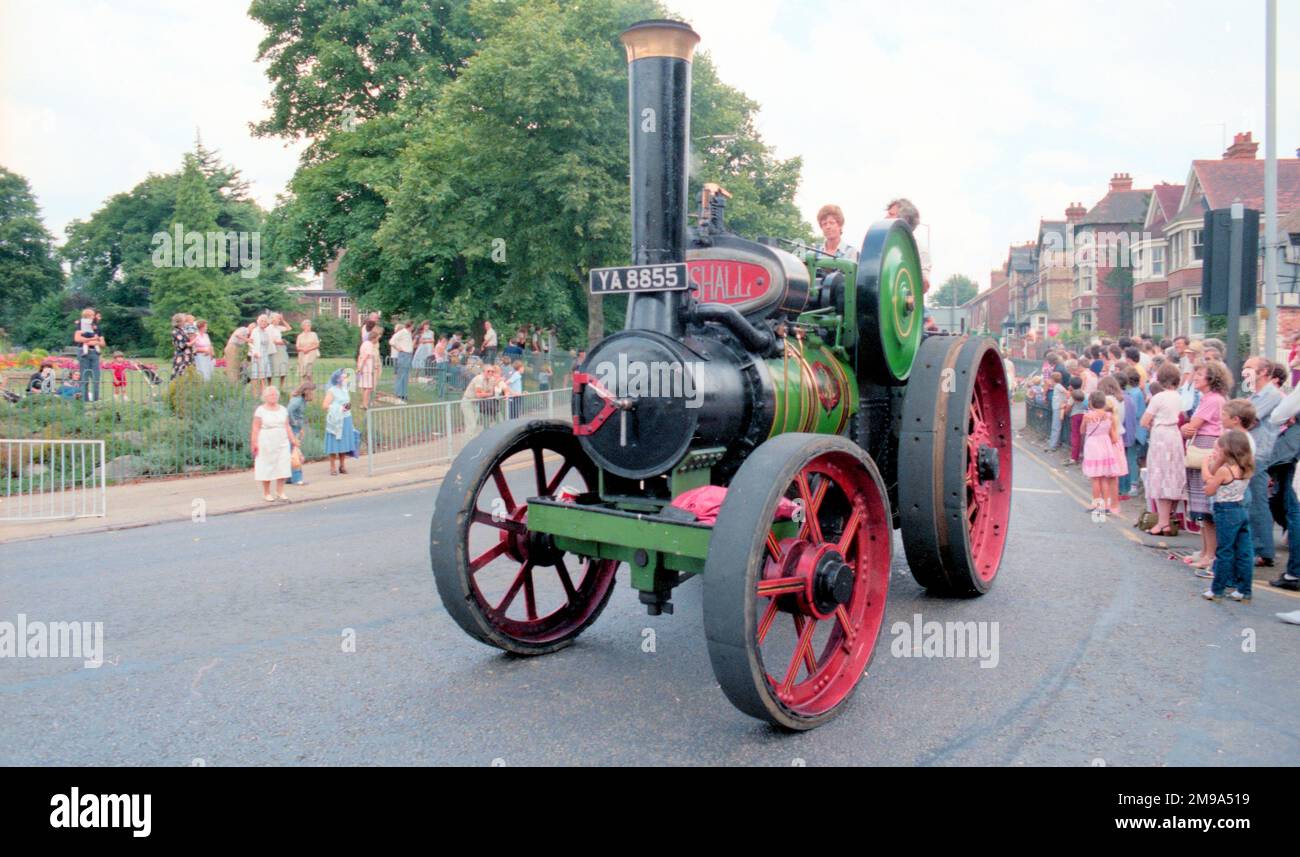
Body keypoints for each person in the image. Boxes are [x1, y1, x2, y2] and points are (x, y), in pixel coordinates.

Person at [1181, 361, 1229, 572]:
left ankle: (1210, 554)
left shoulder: (1213, 400)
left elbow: (1192, 426)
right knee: (1200, 506)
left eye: (1200, 374)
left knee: (1206, 506)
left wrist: (1186, 428)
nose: (1195, 377)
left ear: (1211, 378)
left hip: (1206, 449)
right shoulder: (1207, 398)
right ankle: (1204, 551)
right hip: (1201, 448)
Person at [1201, 429, 1255, 602]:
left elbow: (1209, 490)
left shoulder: (1225, 470)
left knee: (1224, 551)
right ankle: (1244, 590)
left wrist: (1205, 466)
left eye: (1220, 448)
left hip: (1225, 511)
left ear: (1228, 450)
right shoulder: (1247, 467)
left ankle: (1217, 590)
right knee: (1244, 552)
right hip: (1241, 509)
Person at [1140, 363, 1187, 536]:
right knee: (1171, 477)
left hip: (1160, 436)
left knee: (1159, 478)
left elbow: (1144, 421)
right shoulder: (1178, 397)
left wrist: (1152, 424)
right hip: (1174, 435)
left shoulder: (1158, 397)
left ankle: (1162, 522)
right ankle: (1167, 519)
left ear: (1160, 379)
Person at [251, 385, 296, 502]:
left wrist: (293, 440)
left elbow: (287, 426)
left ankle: (280, 491)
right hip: (266, 441)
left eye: (275, 395)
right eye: (271, 395)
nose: (274, 397)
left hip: (282, 441)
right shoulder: (260, 410)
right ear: (265, 397)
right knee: (266, 466)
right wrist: (254, 443)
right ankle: (266, 493)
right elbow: (255, 428)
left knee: (283, 466)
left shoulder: (283, 409)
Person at [1081, 391, 1123, 513]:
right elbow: (1113, 434)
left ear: (1091, 402)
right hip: (1105, 446)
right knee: (1104, 477)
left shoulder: (1087, 416)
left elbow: (1082, 431)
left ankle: (1096, 504)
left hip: (1093, 446)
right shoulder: (1109, 416)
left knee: (1095, 478)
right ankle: (1105, 505)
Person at [885, 197, 930, 292]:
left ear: (904, 220)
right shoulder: (882, 245)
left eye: (891, 214)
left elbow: (923, 285)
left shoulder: (920, 251)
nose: (886, 217)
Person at [322, 369, 357, 475]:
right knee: (334, 443)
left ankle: (342, 465)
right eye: (344, 377)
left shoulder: (345, 389)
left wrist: (348, 406)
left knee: (343, 442)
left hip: (346, 418)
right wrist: (340, 408)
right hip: (336, 420)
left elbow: (347, 402)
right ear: (338, 379)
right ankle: (332, 466)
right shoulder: (332, 391)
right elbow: (325, 406)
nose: (346, 379)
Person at [73, 308, 104, 402]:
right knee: (84, 377)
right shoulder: (81, 325)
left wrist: (96, 342)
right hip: (83, 351)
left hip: (95, 352)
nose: (93, 317)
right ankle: (85, 400)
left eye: (93, 315)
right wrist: (90, 340)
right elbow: (77, 339)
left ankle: (95, 400)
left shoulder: (97, 327)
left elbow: (102, 343)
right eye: (91, 315)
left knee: (96, 377)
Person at [287, 382, 314, 486]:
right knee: (295, 453)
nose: (313, 394)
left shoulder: (302, 401)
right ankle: (297, 479)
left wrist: (300, 427)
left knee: (291, 452)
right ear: (307, 391)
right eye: (312, 391)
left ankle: (289, 478)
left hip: (296, 428)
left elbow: (298, 415)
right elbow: (289, 411)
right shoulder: (298, 400)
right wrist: (294, 422)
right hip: (292, 429)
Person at [247, 315, 275, 396]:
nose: (263, 322)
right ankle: (255, 394)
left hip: (265, 354)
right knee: (256, 375)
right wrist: (254, 352)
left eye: (265, 321)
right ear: (258, 322)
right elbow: (250, 342)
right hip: (257, 354)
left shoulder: (266, 332)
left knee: (264, 375)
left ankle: (262, 393)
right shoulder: (255, 331)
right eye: (262, 321)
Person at [390, 321, 414, 403]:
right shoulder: (402, 332)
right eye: (413, 326)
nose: (413, 327)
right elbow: (392, 341)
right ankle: (398, 393)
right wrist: (398, 348)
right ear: (410, 326)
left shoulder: (409, 333)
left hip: (409, 355)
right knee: (401, 375)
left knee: (406, 375)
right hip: (403, 354)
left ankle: (404, 394)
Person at [269, 313, 292, 390]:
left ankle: (281, 387)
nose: (278, 320)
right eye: (277, 319)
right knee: (273, 367)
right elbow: (271, 340)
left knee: (283, 366)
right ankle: (270, 386)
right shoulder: (269, 328)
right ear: (273, 319)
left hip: (281, 348)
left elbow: (289, 328)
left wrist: (283, 320)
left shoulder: (278, 328)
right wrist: (282, 342)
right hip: (274, 349)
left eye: (279, 319)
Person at [357, 329, 378, 409]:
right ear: (374, 338)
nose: (377, 340)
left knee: (364, 387)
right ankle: (365, 404)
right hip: (367, 368)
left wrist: (359, 366)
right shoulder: (369, 345)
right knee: (369, 387)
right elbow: (366, 356)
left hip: (363, 367)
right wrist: (361, 367)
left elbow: (360, 356)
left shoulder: (364, 343)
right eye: (377, 338)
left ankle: (364, 403)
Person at [169, 313, 193, 379]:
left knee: (188, 376)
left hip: (188, 356)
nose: (185, 322)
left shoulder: (183, 330)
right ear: (179, 322)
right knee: (180, 375)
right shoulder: (176, 331)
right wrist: (195, 340)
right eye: (184, 320)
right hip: (181, 356)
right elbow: (183, 345)